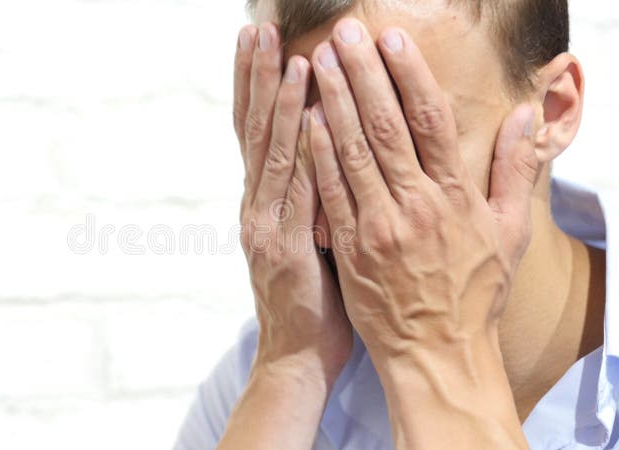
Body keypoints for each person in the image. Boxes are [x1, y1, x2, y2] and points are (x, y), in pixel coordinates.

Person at [175, 0, 615, 448]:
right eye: (308, 143)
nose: (352, 218)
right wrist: (288, 365)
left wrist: (430, 345)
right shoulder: (256, 378)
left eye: (402, 140)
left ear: (554, 110)